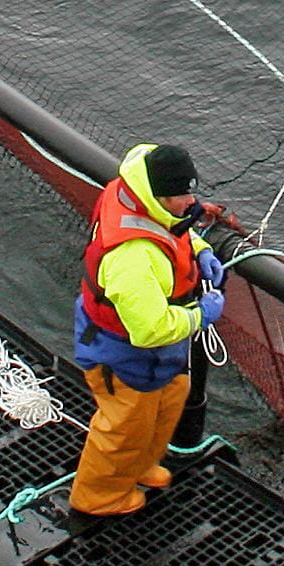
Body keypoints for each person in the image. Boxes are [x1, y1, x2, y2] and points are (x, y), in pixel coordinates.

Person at [65, 141, 226, 530]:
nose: (192, 202)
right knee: (125, 428)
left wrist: (201, 249)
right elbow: (150, 329)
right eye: (182, 195)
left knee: (170, 400)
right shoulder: (131, 257)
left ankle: (141, 466)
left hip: (160, 358)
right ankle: (98, 497)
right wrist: (201, 315)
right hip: (122, 354)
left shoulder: (145, 199)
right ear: (160, 196)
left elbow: (173, 233)